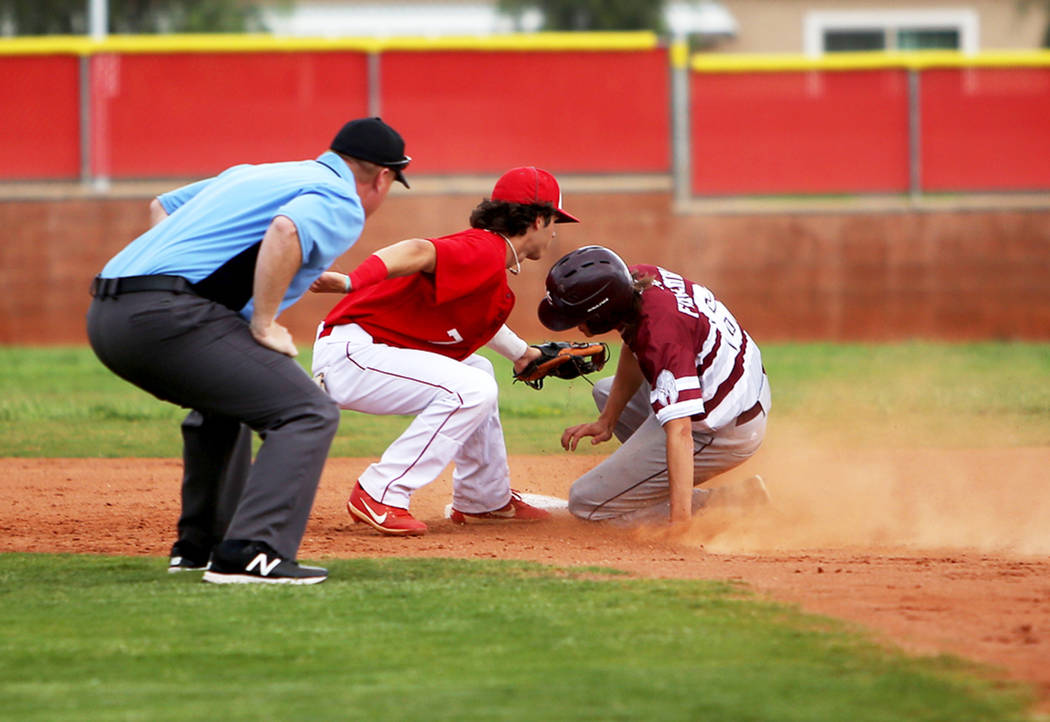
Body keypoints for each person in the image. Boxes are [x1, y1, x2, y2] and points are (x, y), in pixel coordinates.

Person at [86, 117, 411, 584]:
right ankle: (252, 552)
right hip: (163, 315)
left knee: (231, 403)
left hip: (108, 313)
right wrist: (263, 321)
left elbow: (162, 206)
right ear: (382, 176)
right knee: (308, 411)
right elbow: (285, 232)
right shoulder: (343, 198)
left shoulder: (257, 173)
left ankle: (200, 547)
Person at [309, 166, 579, 536]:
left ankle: (484, 498)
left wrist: (522, 354)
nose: (554, 232)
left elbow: (473, 318)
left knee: (479, 372)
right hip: (353, 355)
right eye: (554, 222)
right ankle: (379, 491)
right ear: (537, 219)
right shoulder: (484, 248)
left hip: (366, 352)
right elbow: (418, 250)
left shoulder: (490, 264)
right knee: (471, 388)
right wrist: (351, 281)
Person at [539, 245, 771, 529]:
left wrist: (679, 522)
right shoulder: (636, 283)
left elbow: (681, 431)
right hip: (736, 392)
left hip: (720, 430)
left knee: (586, 503)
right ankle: (656, 483)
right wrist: (607, 421)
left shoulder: (662, 335)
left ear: (602, 313)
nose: (574, 324)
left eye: (577, 316)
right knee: (604, 390)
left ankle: (727, 504)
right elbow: (635, 344)